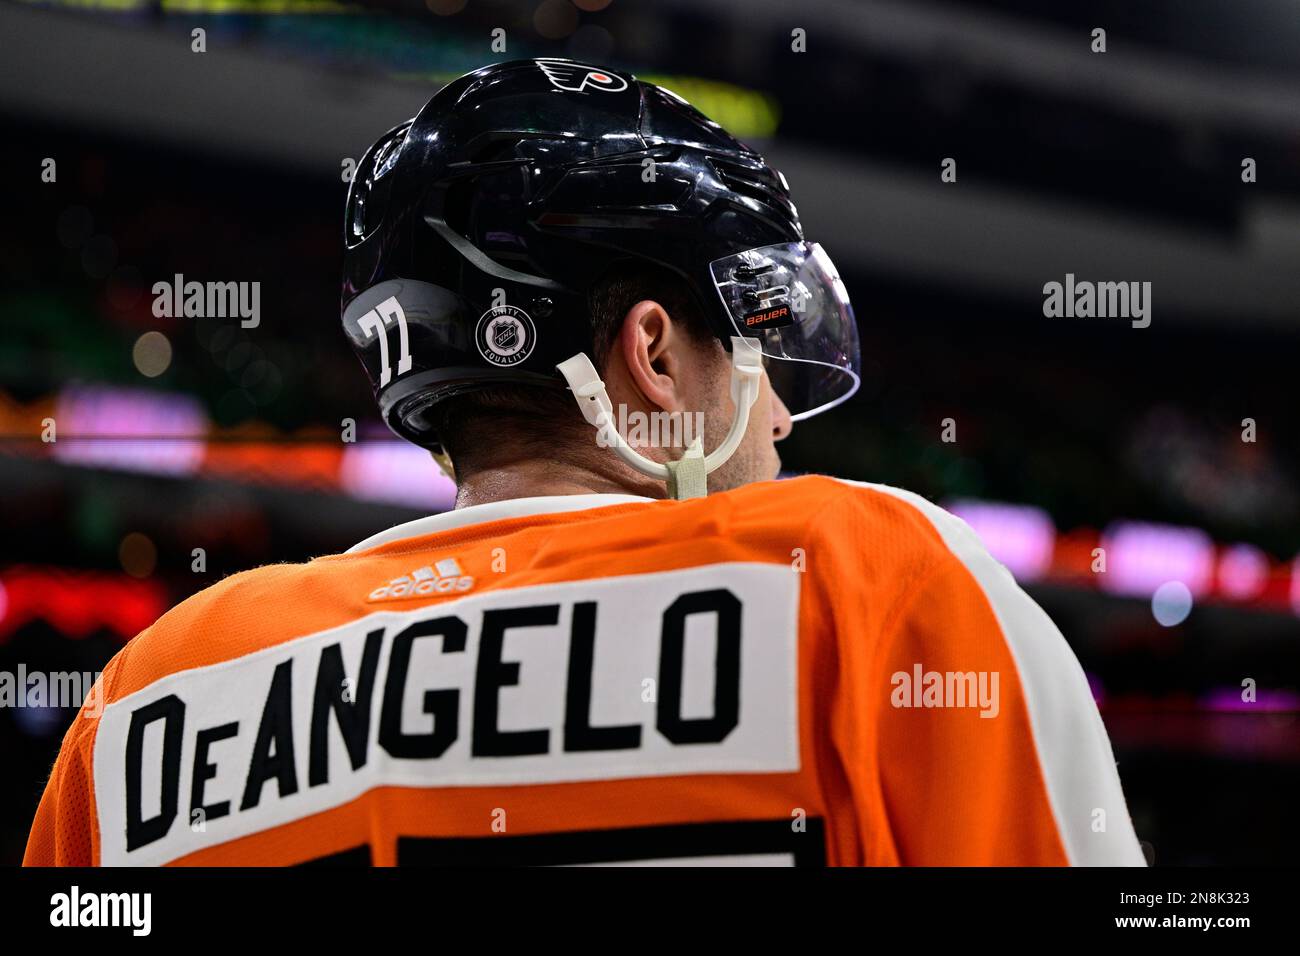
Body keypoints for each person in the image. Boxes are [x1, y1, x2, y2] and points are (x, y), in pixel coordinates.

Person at [25, 59, 1144, 866]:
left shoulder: (144, 695)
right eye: (753, 353)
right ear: (651, 351)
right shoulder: (871, 584)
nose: (782, 422)